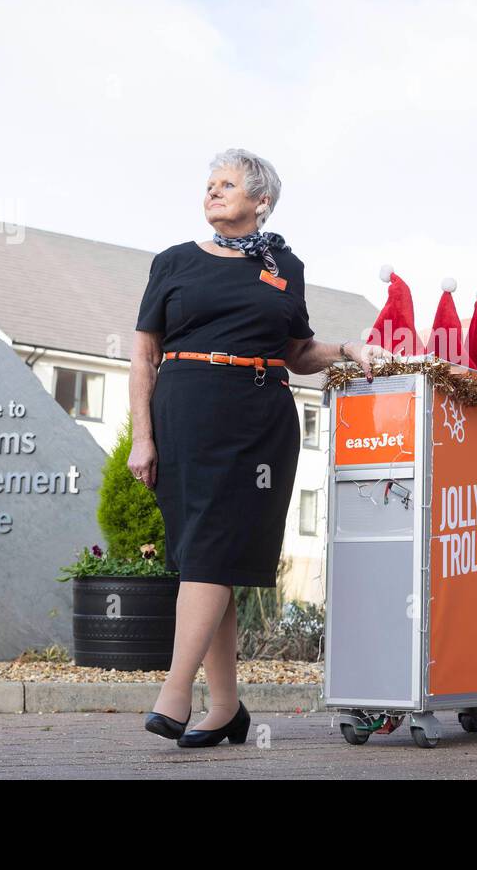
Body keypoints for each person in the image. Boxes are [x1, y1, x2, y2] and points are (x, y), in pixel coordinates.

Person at [131, 148, 386, 748]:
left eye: (226, 184)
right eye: (210, 184)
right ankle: (225, 707)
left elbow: (297, 352)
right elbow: (143, 353)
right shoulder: (173, 262)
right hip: (184, 411)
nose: (212, 192)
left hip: (256, 417)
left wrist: (347, 350)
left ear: (260, 201)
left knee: (213, 548)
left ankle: (175, 693)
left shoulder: (283, 266)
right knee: (202, 554)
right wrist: (143, 435)